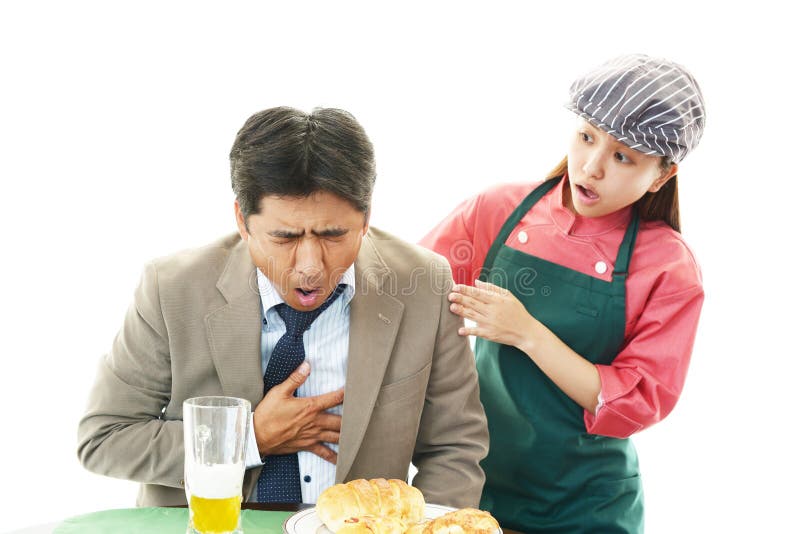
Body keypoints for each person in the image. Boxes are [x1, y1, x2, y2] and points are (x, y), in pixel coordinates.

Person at [78, 106, 489, 508]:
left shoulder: (425, 284)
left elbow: (455, 447)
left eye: (333, 235)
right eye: (285, 237)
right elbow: (104, 437)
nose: (310, 267)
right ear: (243, 220)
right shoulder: (171, 288)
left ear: (365, 218)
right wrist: (248, 439)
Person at [420, 54, 706, 532]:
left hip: (586, 509)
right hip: (474, 489)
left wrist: (526, 332)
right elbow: (412, 300)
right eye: (586, 137)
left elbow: (633, 402)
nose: (591, 168)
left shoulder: (668, 268)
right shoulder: (499, 209)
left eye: (622, 157)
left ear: (661, 175)